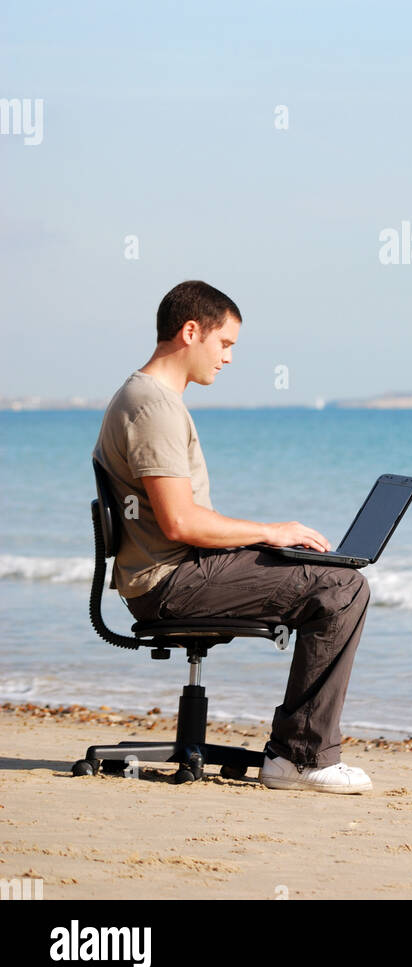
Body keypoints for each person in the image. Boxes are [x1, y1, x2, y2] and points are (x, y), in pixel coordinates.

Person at [92, 278, 372, 795]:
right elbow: (180, 524)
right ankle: (298, 757)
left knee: (329, 575)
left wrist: (264, 545)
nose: (228, 358)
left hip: (169, 573)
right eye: (225, 344)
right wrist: (270, 531)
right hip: (171, 583)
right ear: (191, 331)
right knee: (342, 588)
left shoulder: (147, 398)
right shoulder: (153, 407)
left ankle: (299, 751)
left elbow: (182, 521)